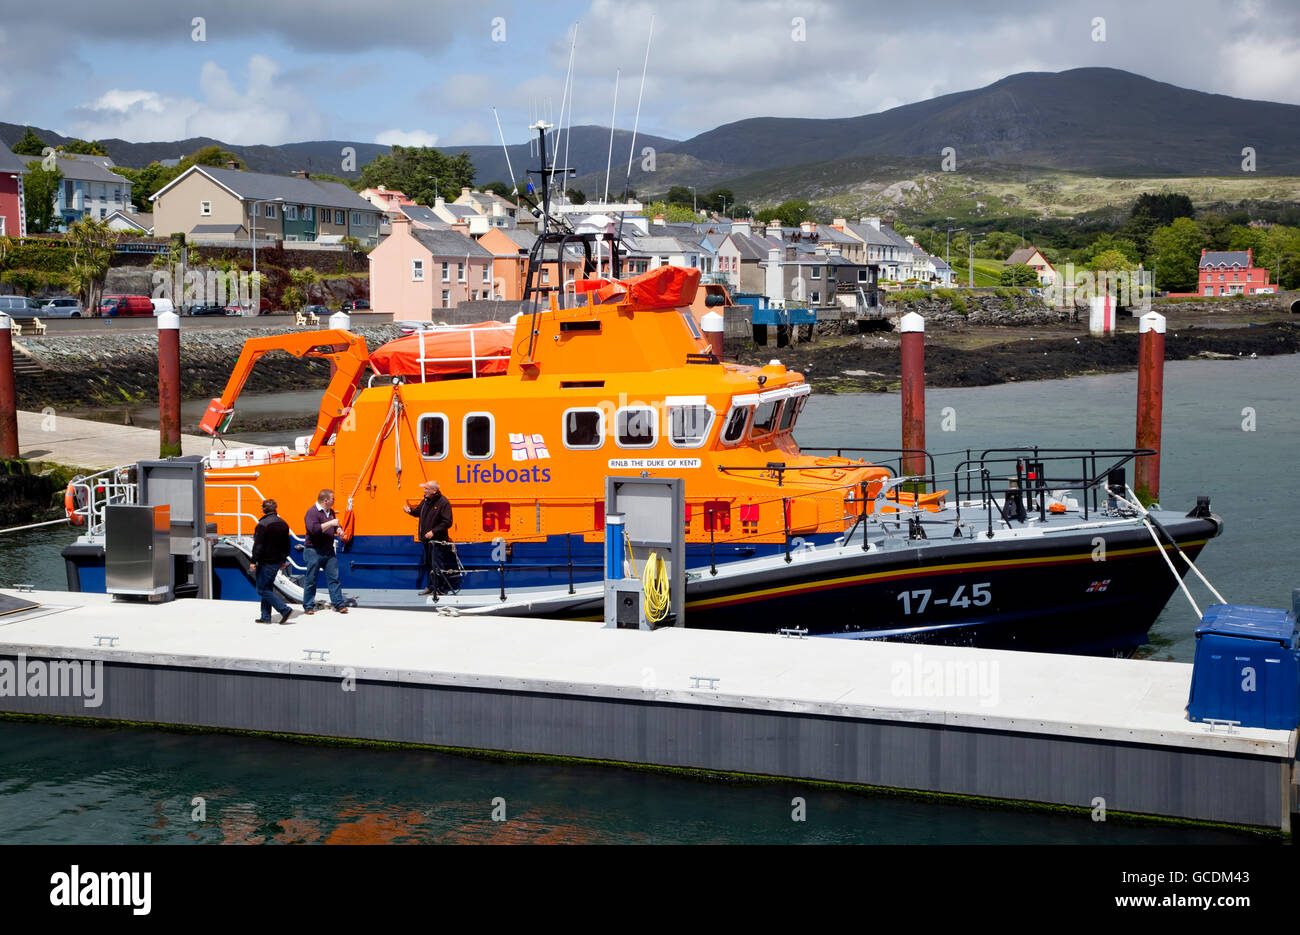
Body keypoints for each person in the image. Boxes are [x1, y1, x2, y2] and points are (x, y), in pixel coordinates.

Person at [405, 479, 454, 595]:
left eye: (426, 488)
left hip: (437, 540)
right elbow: (418, 512)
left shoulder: (443, 502)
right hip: (427, 540)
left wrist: (434, 531)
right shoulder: (426, 501)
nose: (424, 490)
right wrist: (410, 511)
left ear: (434, 490)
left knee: (437, 564)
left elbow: (448, 522)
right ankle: (431, 587)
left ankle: (441, 589)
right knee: (429, 564)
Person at [303, 489, 348, 614]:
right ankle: (308, 606)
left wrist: (339, 529)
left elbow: (334, 525)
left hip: (328, 550)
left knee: (334, 578)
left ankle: (339, 604)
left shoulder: (330, 512)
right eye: (333, 498)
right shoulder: (312, 512)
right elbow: (313, 530)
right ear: (325, 500)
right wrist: (331, 523)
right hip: (314, 550)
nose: (334, 501)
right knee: (311, 579)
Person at [250, 499, 294, 625]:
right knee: (267, 587)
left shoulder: (262, 525)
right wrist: (284, 559)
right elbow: (287, 544)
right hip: (277, 561)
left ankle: (284, 610)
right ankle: (265, 617)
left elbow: (258, 546)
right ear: (276, 509)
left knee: (262, 589)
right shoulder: (283, 523)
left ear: (263, 509)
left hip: (266, 562)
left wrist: (253, 561)